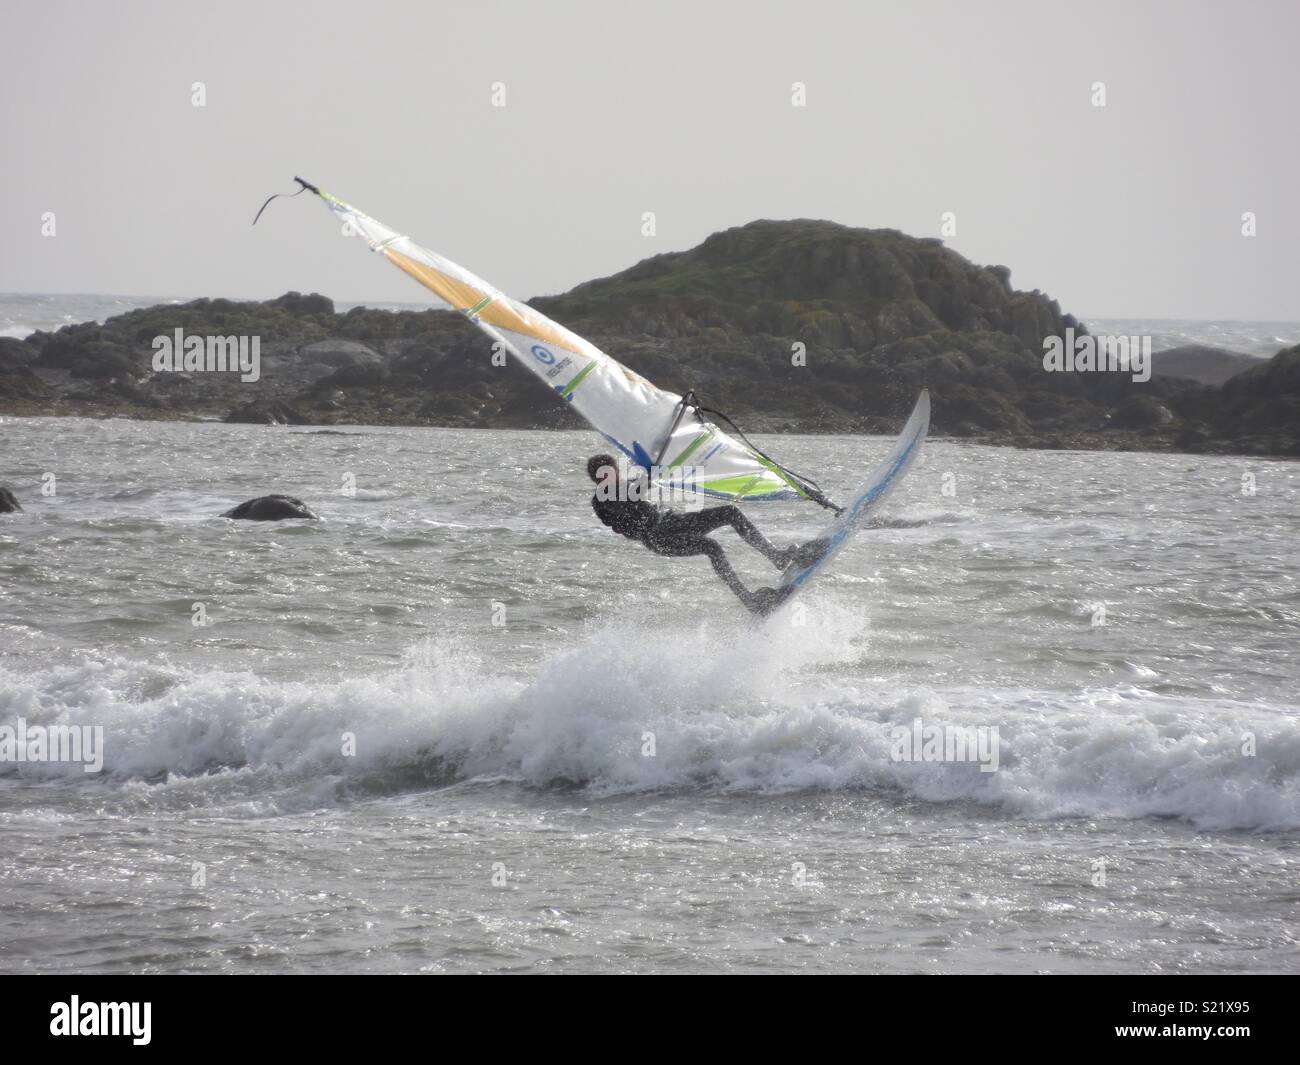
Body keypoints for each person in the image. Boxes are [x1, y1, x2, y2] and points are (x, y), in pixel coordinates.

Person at [586, 454, 822, 616]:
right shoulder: (602, 499)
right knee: (712, 547)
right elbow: (633, 495)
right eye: (607, 474)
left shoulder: (624, 485)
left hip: (674, 522)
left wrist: (656, 464)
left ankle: (777, 557)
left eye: (615, 471)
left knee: (730, 512)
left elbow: (647, 481)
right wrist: (647, 473)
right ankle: (747, 599)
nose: (613, 475)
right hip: (658, 538)